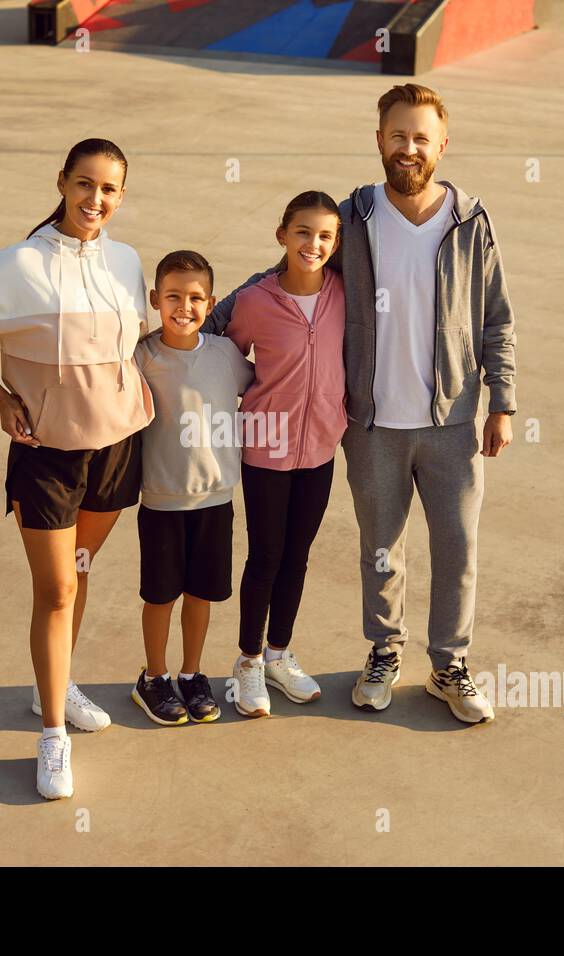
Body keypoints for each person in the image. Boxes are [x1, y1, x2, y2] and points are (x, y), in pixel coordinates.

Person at [204, 84, 518, 725]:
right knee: (382, 548)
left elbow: (496, 319)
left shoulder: (470, 221)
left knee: (457, 547)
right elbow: (286, 275)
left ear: (442, 145)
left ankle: (449, 664)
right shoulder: (356, 219)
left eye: (421, 138)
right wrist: (187, 338)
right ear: (379, 141)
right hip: (369, 424)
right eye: (397, 136)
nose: (409, 149)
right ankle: (384, 651)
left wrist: (502, 401)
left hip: (452, 420)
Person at [0, 138, 155, 798]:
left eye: (109, 189)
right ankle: (52, 736)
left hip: (119, 445)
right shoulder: (18, 264)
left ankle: (57, 682)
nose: (95, 200)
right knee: (54, 590)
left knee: (79, 577)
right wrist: (1, 398)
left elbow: (138, 336)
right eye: (85, 185)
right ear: (62, 182)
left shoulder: (127, 259)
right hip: (47, 455)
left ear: (121, 196)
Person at [221, 191, 348, 718]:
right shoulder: (254, 301)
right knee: (265, 555)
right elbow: (222, 355)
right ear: (282, 235)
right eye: (302, 232)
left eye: (324, 236)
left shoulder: (345, 294)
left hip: (320, 445)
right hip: (267, 447)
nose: (312, 244)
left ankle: (278, 654)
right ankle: (248, 662)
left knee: (298, 555)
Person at [131, 251, 254, 725]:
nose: (185, 306)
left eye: (196, 298)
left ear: (212, 302)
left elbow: (262, 385)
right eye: (174, 297)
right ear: (155, 300)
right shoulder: (142, 355)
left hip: (216, 499)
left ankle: (191, 674)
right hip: (162, 498)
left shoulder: (224, 354)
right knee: (160, 595)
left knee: (202, 593)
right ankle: (154, 678)